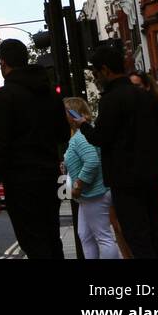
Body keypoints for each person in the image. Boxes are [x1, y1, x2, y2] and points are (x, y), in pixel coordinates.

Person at [80, 43, 158, 258]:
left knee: (136, 235)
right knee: (156, 231)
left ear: (105, 70)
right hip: (152, 175)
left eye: (95, 72)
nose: (95, 77)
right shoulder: (147, 97)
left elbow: (100, 138)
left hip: (125, 179)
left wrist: (83, 125)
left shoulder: (111, 100)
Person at [0, 39, 69, 260]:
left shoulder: (4, 97)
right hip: (51, 178)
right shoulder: (51, 94)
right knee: (52, 238)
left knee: (33, 242)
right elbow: (63, 134)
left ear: (3, 63)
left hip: (21, 182)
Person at [63, 97, 120, 259]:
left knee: (104, 237)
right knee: (85, 235)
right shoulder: (82, 134)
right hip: (89, 195)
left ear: (73, 114)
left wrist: (79, 184)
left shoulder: (81, 136)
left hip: (94, 192)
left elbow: (92, 161)